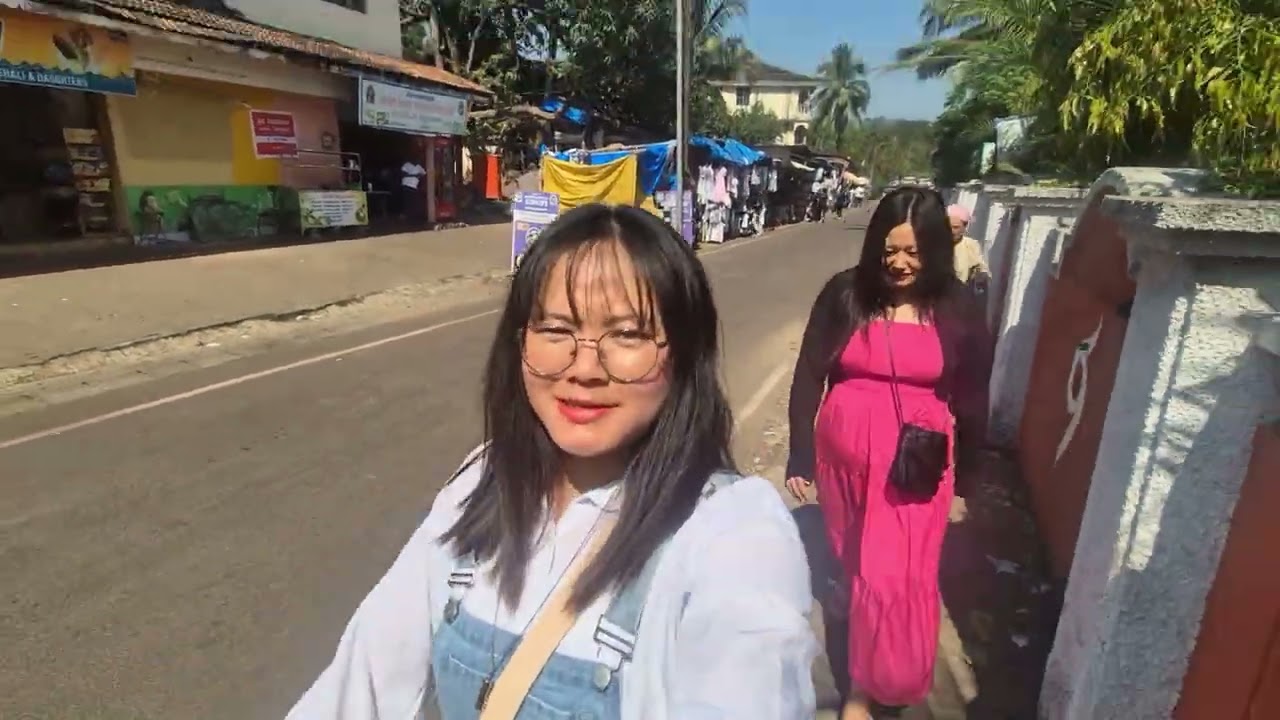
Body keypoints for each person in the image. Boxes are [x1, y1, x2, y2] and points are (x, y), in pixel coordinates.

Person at [288, 203, 818, 720]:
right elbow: (361, 683)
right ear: (519, 342)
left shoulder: (733, 533)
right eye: (556, 330)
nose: (584, 368)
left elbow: (751, 678)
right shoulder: (481, 483)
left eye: (627, 334)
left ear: (684, 354)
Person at [783, 187, 992, 720]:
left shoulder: (957, 307)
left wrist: (969, 476)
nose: (899, 264)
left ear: (934, 252)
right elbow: (810, 374)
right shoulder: (844, 294)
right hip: (845, 462)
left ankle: (868, 690)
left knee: (896, 574)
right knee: (856, 563)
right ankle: (861, 645)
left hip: (915, 466)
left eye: (913, 253)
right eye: (889, 252)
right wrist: (800, 455)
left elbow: (972, 397)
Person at [946, 204, 989, 289]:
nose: (951, 231)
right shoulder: (932, 242)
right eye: (948, 227)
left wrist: (980, 275)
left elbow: (981, 269)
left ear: (964, 228)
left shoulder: (970, 245)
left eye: (955, 228)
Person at [401, 141, 428, 224]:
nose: (417, 160)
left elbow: (424, 175)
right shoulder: (407, 165)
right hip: (406, 185)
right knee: (407, 201)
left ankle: (412, 217)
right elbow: (402, 175)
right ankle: (407, 217)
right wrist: (415, 176)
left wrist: (417, 177)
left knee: (414, 202)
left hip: (414, 186)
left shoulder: (419, 167)